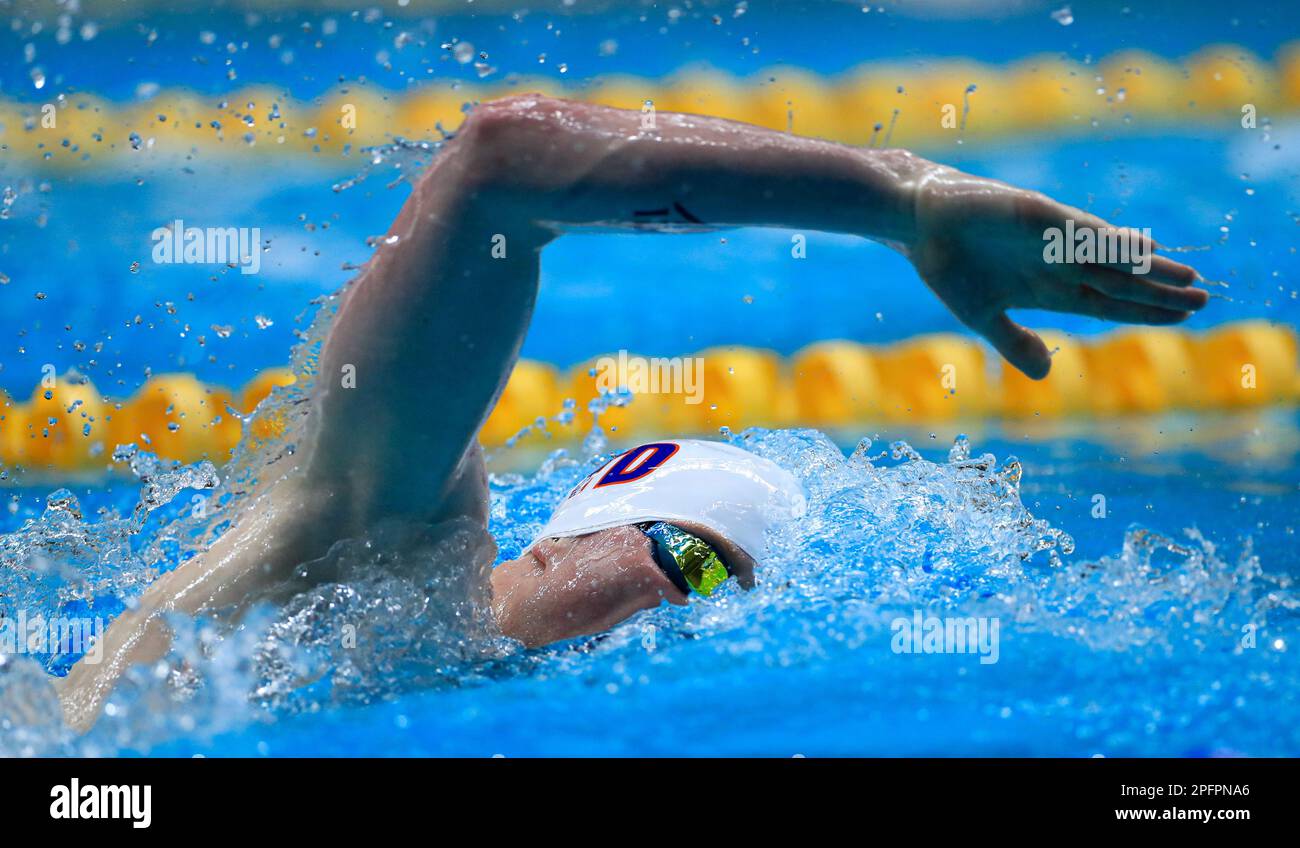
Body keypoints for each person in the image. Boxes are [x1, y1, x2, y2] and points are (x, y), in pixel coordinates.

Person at [54, 94, 1207, 731]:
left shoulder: (441, 675)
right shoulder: (376, 541)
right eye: (683, 558)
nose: (661, 601)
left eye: (713, 596)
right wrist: (901, 201)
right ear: (569, 529)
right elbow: (501, 162)